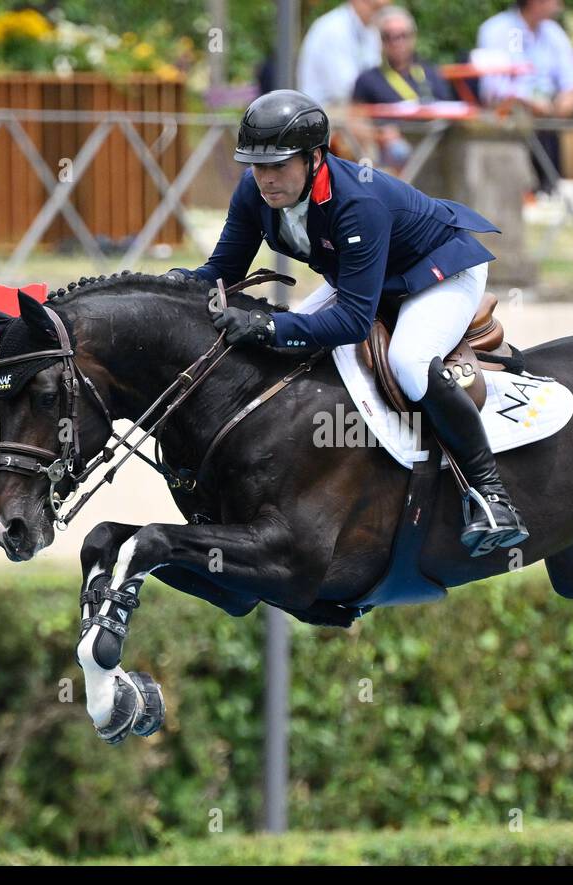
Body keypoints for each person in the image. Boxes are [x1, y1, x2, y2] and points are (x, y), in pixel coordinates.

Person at [165, 90, 529, 556]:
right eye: (257, 166)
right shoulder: (253, 191)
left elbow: (355, 321)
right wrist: (169, 287)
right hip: (369, 276)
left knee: (409, 362)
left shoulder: (356, 201)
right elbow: (221, 272)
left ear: (315, 157)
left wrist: (268, 327)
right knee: (289, 339)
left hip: (438, 272)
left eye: (278, 165)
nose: (266, 179)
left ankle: (490, 494)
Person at [476, 0, 573, 198]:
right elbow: (493, 85)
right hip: (515, 103)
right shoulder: (496, 29)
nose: (560, 4)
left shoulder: (552, 32)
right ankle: (529, 187)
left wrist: (571, 94)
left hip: (551, 100)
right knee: (514, 110)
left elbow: (572, 72)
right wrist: (528, 100)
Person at [351, 6, 455, 170]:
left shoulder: (430, 74)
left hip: (437, 152)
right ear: (381, 41)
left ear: (413, 37)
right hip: (394, 159)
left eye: (402, 36)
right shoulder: (367, 80)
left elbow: (449, 112)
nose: (396, 42)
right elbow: (354, 125)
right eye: (388, 37)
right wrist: (379, 136)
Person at [297, 0, 389, 106]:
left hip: (353, 111)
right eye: (376, 7)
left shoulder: (370, 30)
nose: (382, 14)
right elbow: (345, 91)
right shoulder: (333, 29)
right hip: (323, 114)